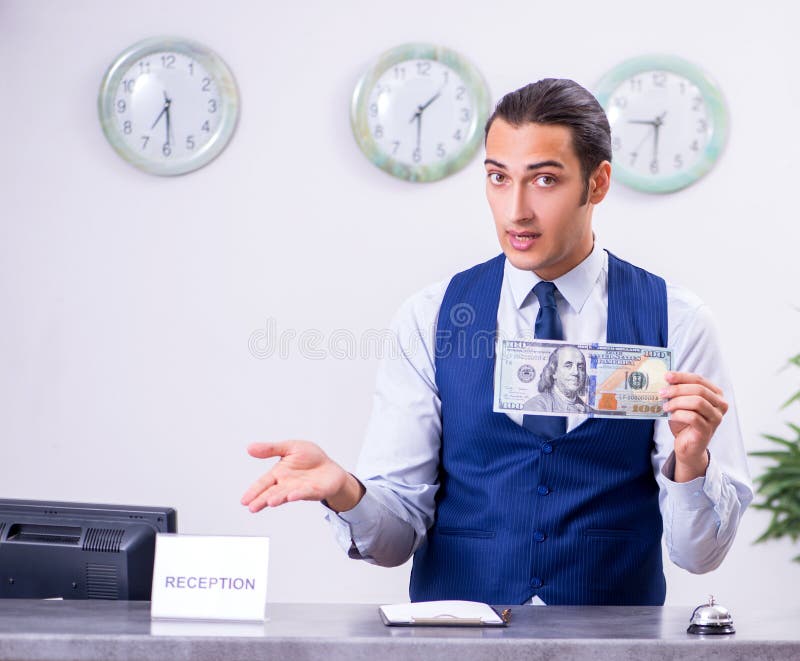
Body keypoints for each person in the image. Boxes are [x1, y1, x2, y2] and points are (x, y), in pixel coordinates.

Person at [241, 78, 753, 606]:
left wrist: (692, 463)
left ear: (597, 183)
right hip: (456, 642)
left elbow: (699, 556)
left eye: (545, 180)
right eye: (497, 178)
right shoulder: (430, 317)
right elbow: (393, 542)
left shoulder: (677, 321)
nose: (516, 211)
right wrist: (344, 490)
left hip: (612, 645)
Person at [524, 345, 592, 413]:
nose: (576, 372)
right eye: (568, 366)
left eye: (580, 367)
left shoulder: (589, 411)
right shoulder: (536, 405)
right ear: (554, 372)